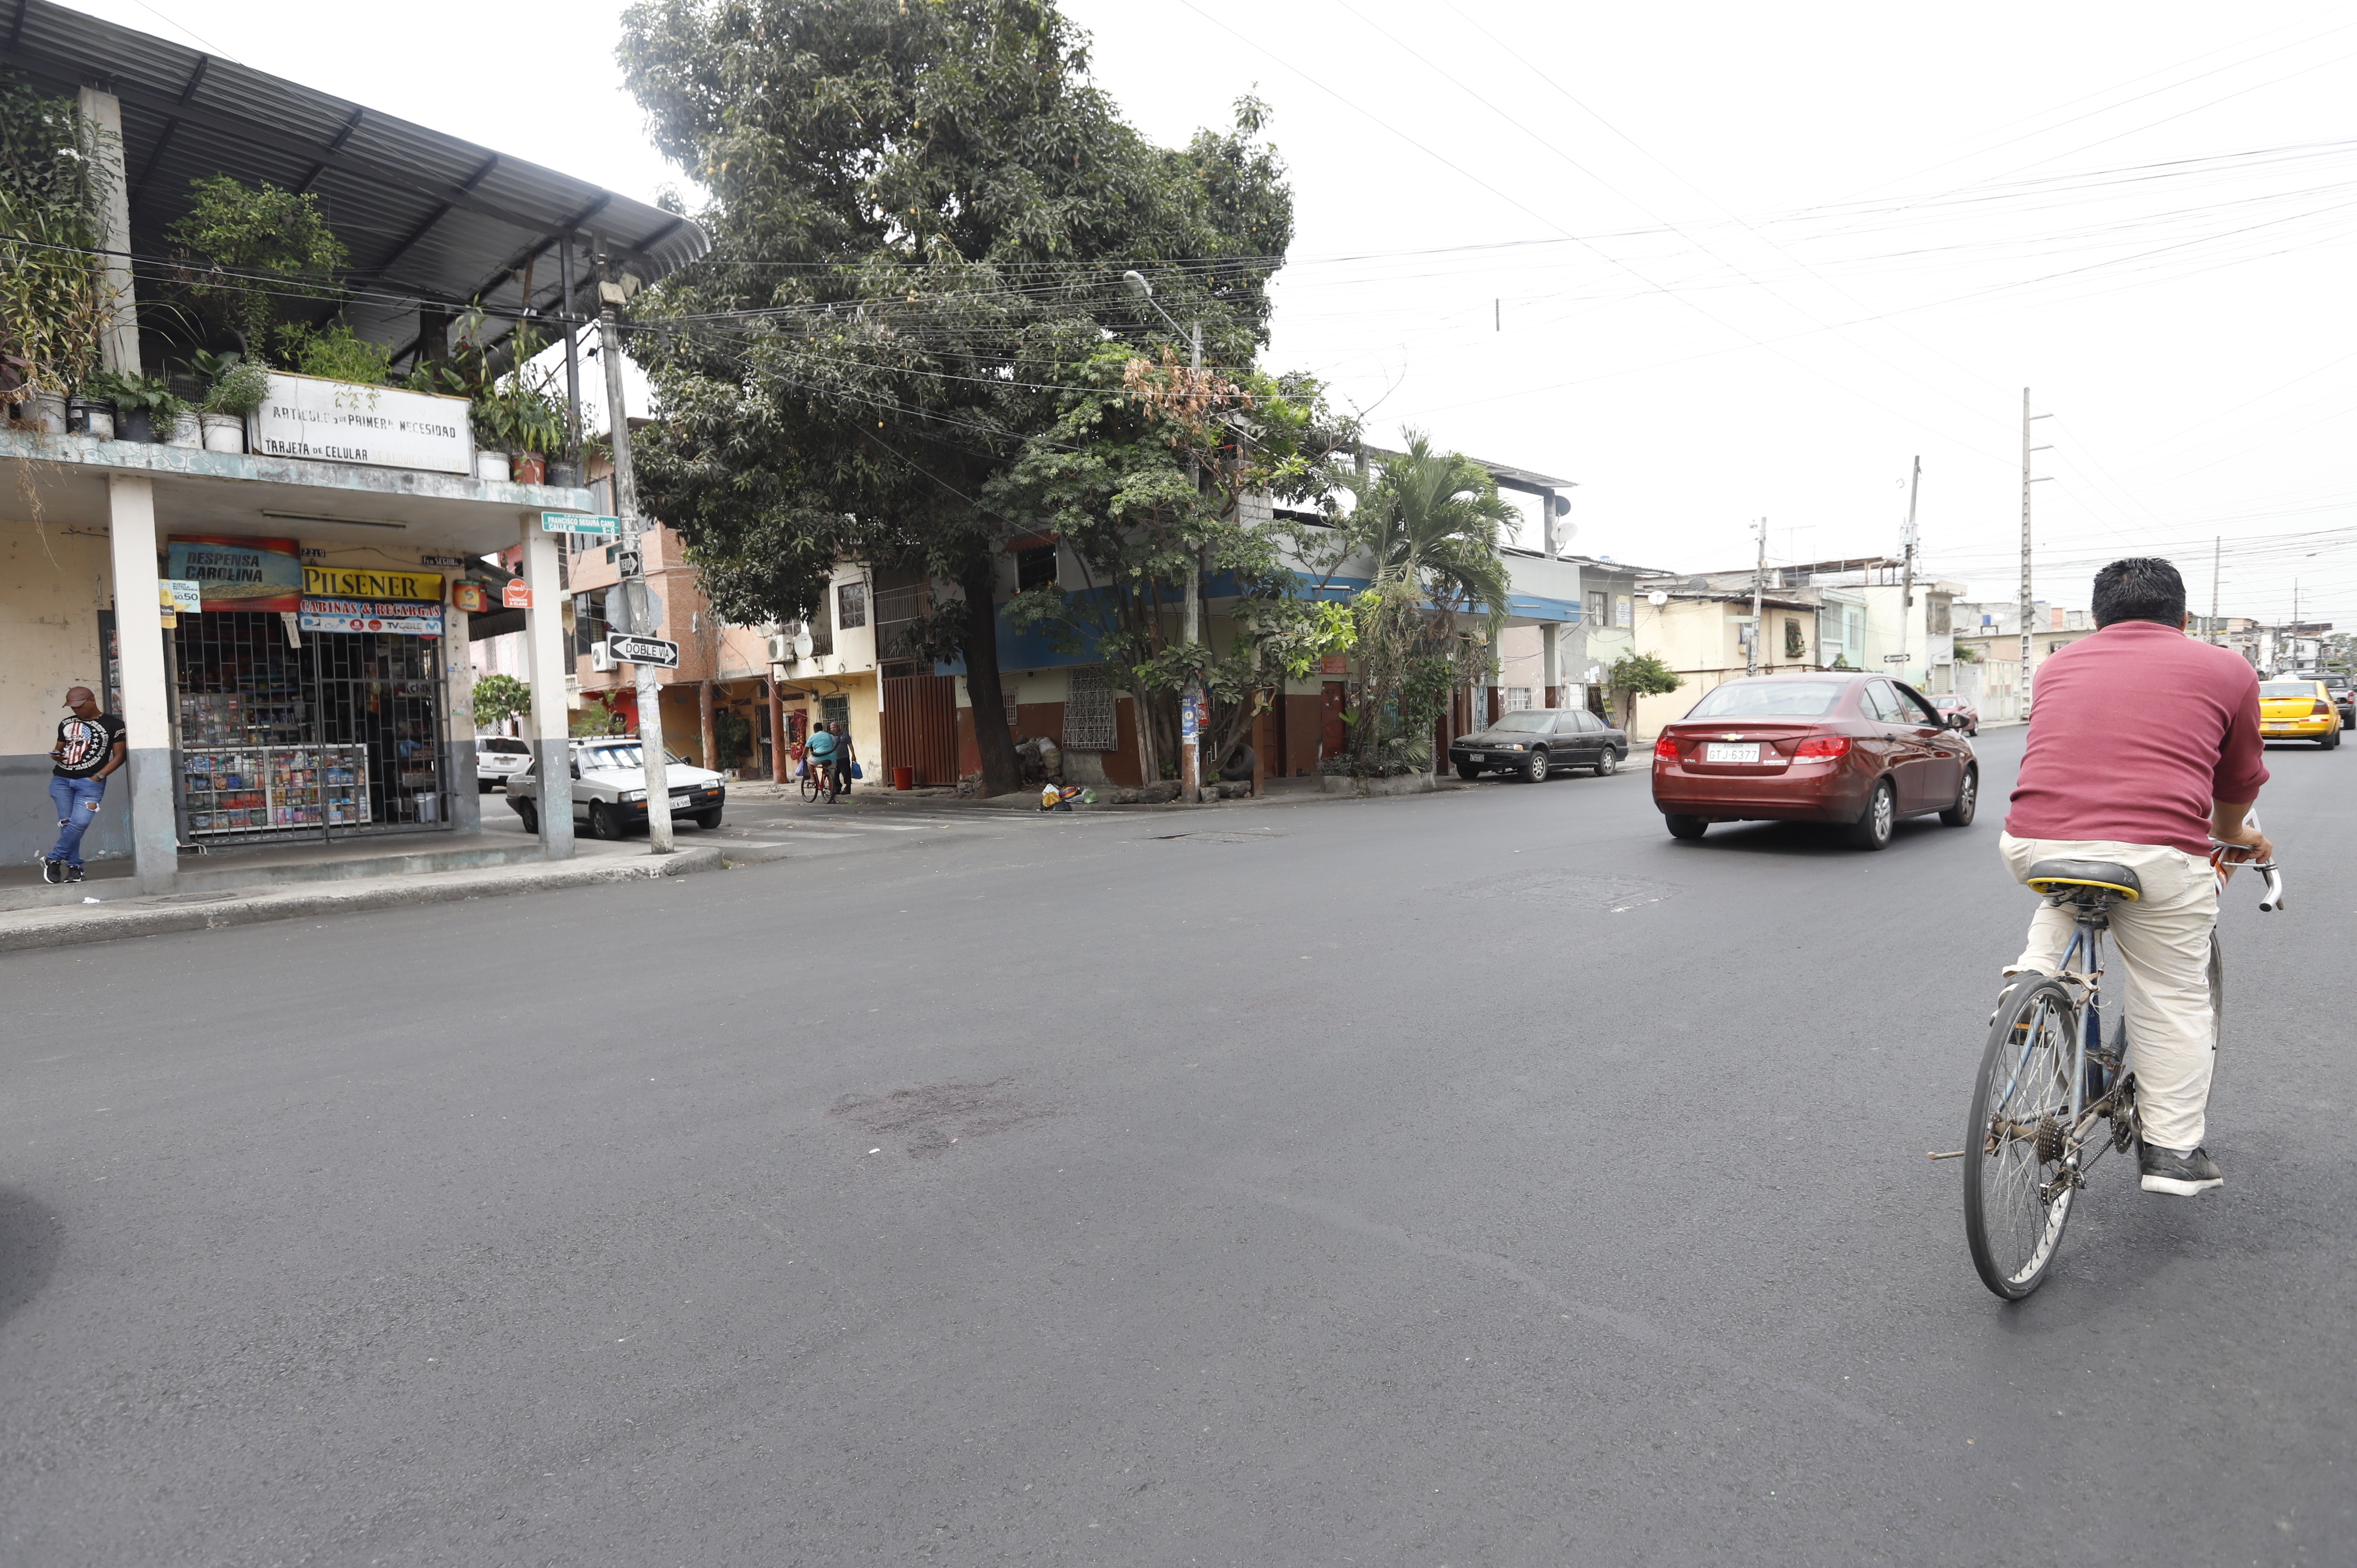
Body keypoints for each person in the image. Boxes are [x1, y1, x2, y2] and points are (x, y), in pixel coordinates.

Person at [2001, 557, 2270, 1196]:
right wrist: (2237, 837)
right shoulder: (2227, 668)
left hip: (2032, 839)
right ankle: (2171, 1151)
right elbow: (2235, 782)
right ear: (2181, 618)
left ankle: (2033, 979)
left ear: (2097, 620)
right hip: (2155, 855)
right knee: (2171, 990)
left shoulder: (2056, 664)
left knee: (2063, 886)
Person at [44, 685, 126, 885]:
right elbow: (59, 748)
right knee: (67, 825)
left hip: (90, 783)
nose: (76, 710)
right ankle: (75, 868)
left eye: (79, 706)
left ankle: (53, 858)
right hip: (62, 780)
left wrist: (98, 776)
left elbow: (120, 756)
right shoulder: (66, 723)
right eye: (72, 707)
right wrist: (57, 755)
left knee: (79, 823)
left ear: (92, 700)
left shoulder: (114, 724)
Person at [804, 719, 840, 802]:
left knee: (809, 762)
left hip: (819, 757)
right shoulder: (828, 735)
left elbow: (806, 748)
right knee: (831, 778)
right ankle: (832, 798)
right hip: (832, 757)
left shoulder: (813, 736)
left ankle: (812, 778)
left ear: (815, 730)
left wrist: (803, 756)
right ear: (822, 728)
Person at [828, 719, 856, 799]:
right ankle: (838, 788)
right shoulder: (831, 736)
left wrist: (853, 755)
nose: (833, 729)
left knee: (846, 774)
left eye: (834, 727)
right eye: (831, 728)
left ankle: (848, 788)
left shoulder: (845, 735)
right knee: (835, 775)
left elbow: (850, 745)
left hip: (844, 758)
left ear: (838, 727)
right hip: (834, 759)